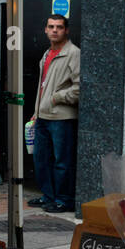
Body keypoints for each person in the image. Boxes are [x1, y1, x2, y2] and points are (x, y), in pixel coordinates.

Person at [29, 14, 80, 213]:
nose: (54, 30)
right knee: (41, 160)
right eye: (51, 26)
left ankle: (64, 200)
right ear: (45, 29)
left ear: (66, 30)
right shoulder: (47, 54)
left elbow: (79, 87)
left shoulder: (73, 53)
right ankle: (48, 196)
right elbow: (42, 87)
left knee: (62, 162)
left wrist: (56, 97)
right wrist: (36, 111)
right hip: (43, 116)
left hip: (62, 117)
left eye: (59, 27)